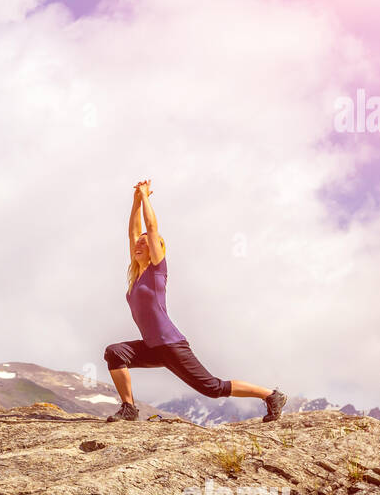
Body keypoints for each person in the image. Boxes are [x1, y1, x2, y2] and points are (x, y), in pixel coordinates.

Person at [103, 180, 287, 423]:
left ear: (156, 249)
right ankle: (129, 408)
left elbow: (150, 226)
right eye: (138, 243)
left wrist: (146, 197)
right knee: (115, 353)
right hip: (151, 346)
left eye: (145, 243)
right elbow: (134, 232)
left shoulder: (157, 271)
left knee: (212, 388)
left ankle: (271, 395)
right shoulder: (137, 274)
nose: (138, 244)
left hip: (171, 344)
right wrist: (136, 201)